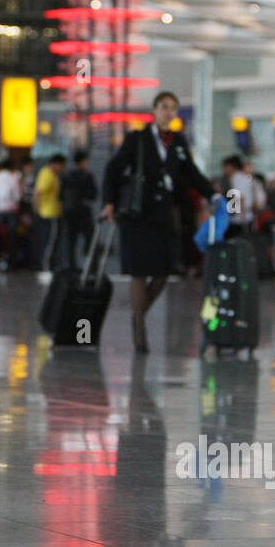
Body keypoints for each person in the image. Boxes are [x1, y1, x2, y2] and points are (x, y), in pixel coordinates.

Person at [101, 92, 219, 352]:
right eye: (164, 107)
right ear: (154, 110)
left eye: (173, 108)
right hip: (136, 215)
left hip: (162, 215)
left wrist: (215, 194)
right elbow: (113, 169)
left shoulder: (177, 141)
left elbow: (191, 174)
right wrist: (109, 202)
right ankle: (140, 326)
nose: (169, 112)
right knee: (139, 272)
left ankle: (138, 313)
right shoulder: (138, 139)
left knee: (165, 271)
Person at [60, 149, 97, 270]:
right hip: (83, 211)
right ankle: (92, 266)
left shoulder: (66, 175)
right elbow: (93, 194)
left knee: (71, 241)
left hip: (69, 211)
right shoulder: (87, 175)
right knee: (90, 239)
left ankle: (71, 266)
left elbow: (60, 195)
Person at [32, 154, 66, 271]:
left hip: (51, 212)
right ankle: (45, 268)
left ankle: (47, 267)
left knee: (50, 242)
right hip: (49, 213)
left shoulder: (50, 174)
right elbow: (38, 193)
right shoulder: (47, 175)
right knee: (49, 243)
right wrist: (36, 210)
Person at [221, 155, 254, 238]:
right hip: (243, 217)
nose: (225, 170)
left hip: (240, 219)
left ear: (231, 167)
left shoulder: (236, 178)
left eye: (226, 167)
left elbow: (241, 197)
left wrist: (243, 219)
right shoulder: (241, 177)